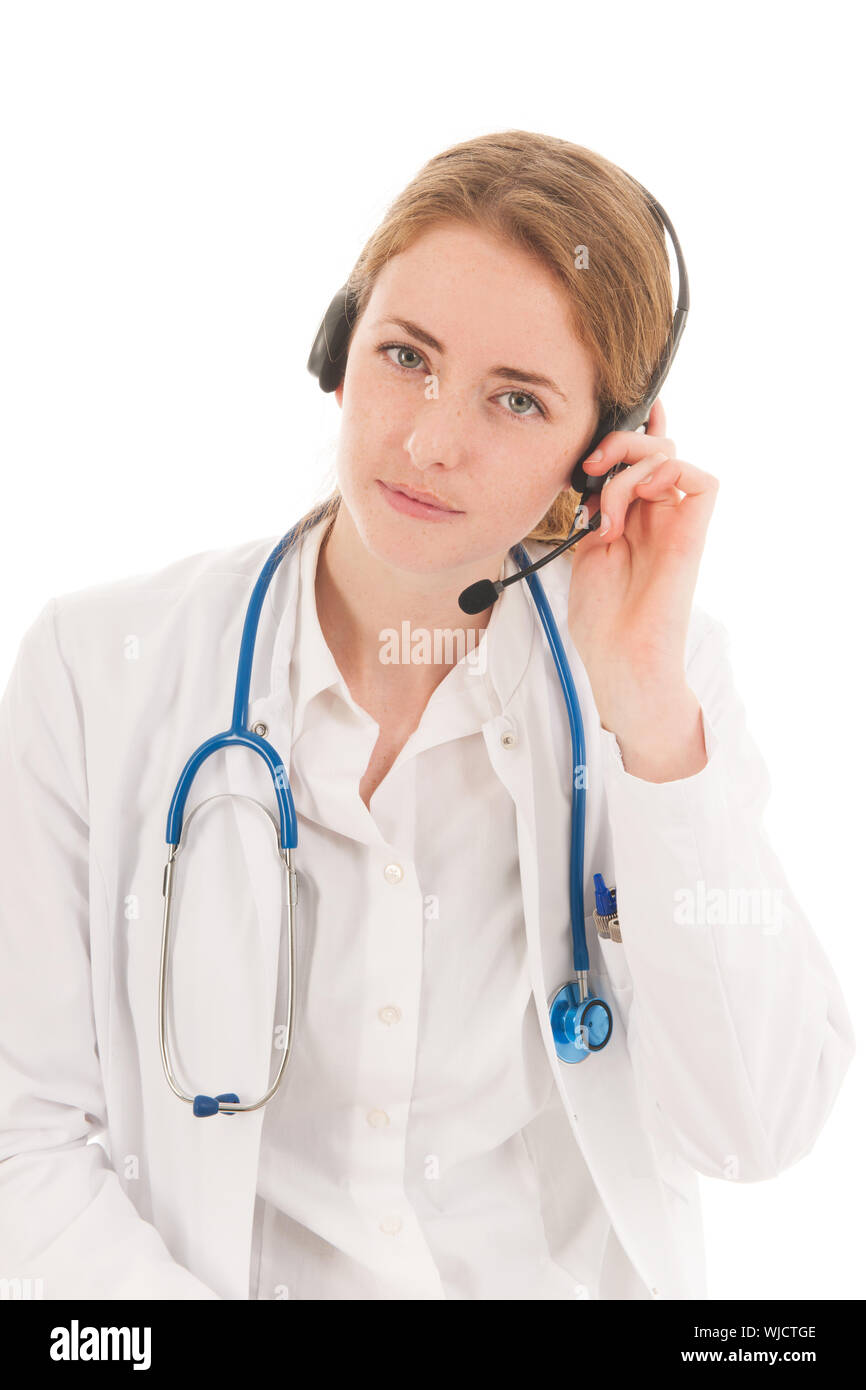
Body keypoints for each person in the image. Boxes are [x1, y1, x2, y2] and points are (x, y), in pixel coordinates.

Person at [0, 130, 855, 1301]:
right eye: (406, 355)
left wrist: (649, 712)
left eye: (516, 397)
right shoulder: (95, 670)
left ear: (599, 457)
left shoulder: (660, 681)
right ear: (335, 350)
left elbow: (757, 1129)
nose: (430, 438)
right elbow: (23, 1140)